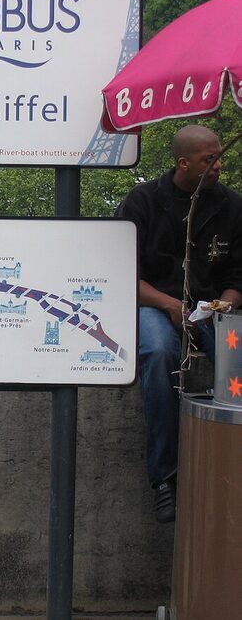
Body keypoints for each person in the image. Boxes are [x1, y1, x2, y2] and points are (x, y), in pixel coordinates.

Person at [115, 124, 242, 523]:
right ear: (184, 163)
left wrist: (226, 304)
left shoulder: (231, 206)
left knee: (235, 355)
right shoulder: (143, 203)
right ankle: (166, 476)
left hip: (212, 309)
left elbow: (238, 277)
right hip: (154, 304)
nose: (219, 165)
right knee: (157, 351)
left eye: (220, 156)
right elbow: (119, 274)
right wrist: (169, 303)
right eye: (210, 160)